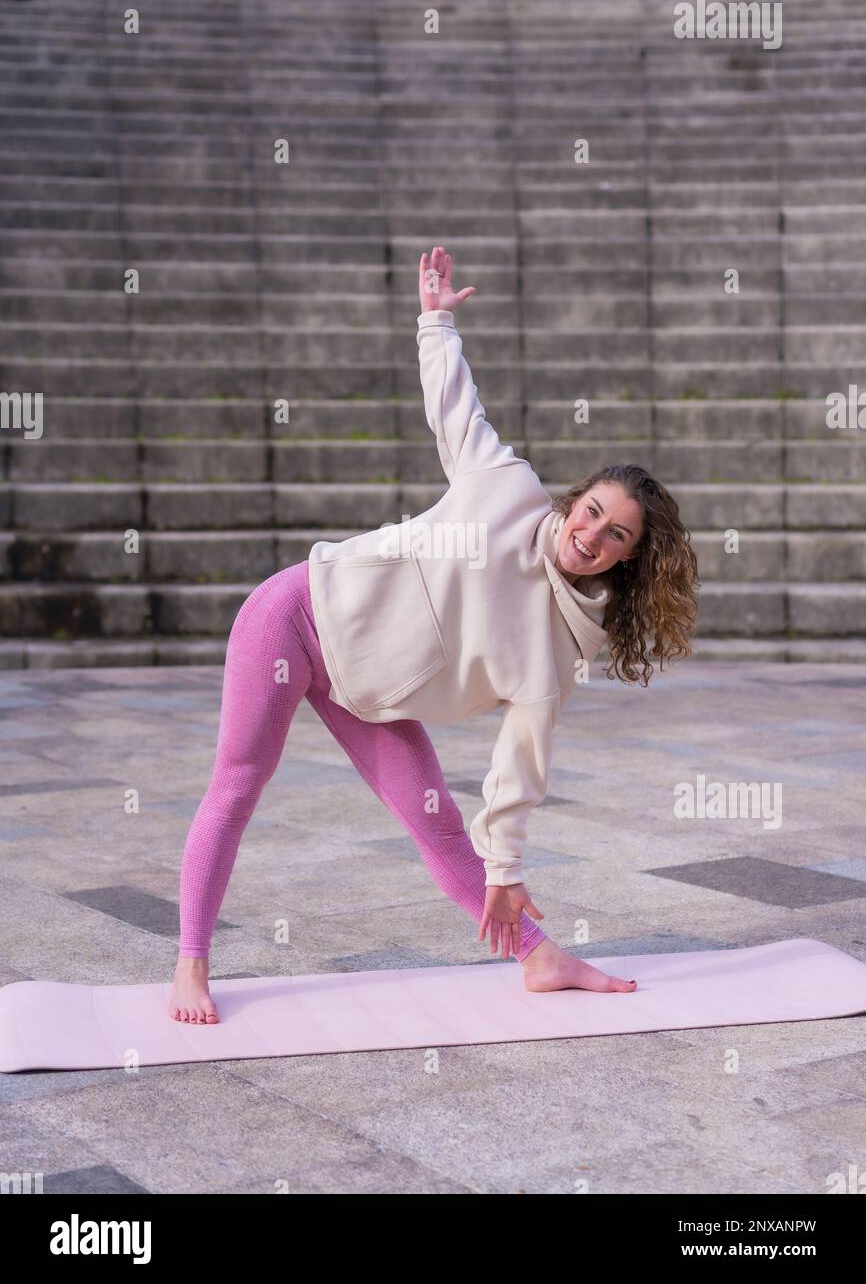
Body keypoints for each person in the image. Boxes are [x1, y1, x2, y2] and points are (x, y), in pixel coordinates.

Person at [169, 246, 700, 1024]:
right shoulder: (506, 489)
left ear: (627, 557)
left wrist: (507, 867)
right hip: (296, 617)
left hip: (370, 693)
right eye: (592, 512)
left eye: (615, 535)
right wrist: (437, 322)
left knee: (437, 821)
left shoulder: (559, 647)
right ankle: (190, 965)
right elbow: (459, 411)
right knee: (238, 785)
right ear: (575, 497)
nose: (591, 536)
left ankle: (542, 959)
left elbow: (520, 769)